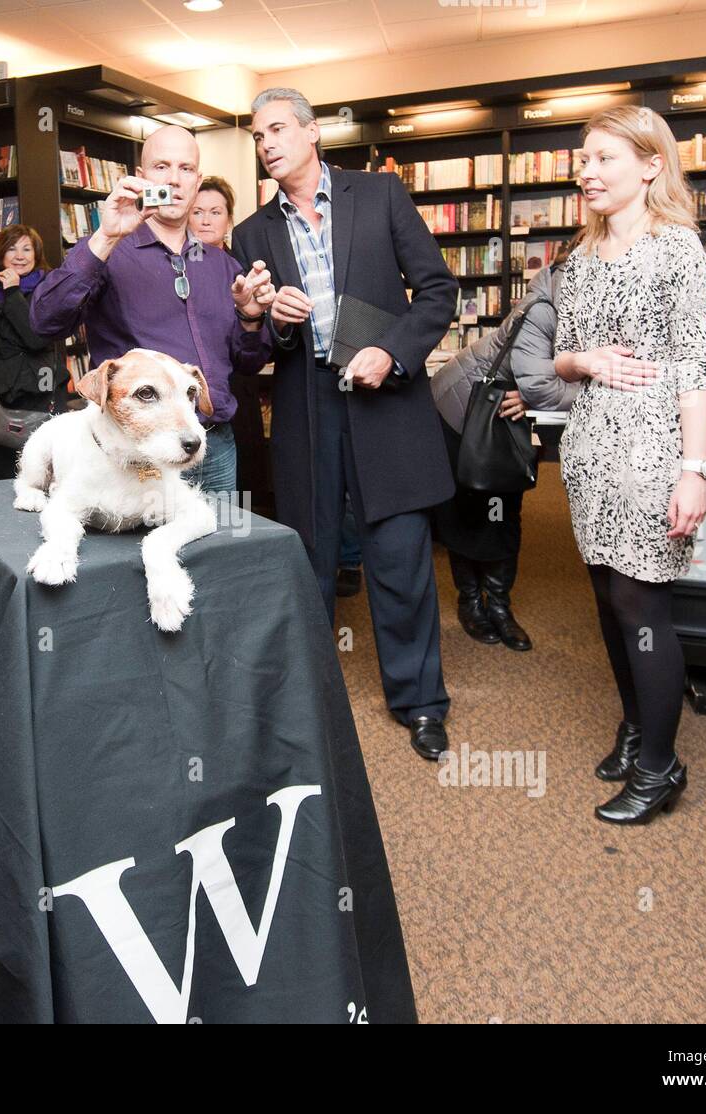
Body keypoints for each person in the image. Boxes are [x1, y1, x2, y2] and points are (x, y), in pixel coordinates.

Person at [233, 87, 460, 762]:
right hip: (308, 410)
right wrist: (270, 320)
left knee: (400, 560)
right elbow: (257, 351)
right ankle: (309, 706)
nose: (266, 143)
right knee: (310, 561)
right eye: (256, 135)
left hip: (385, 399)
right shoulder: (252, 233)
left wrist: (392, 352)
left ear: (312, 133)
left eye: (276, 129)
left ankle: (420, 701)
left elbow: (438, 290)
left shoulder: (380, 195)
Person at [553, 104, 706, 825]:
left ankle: (660, 767)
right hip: (587, 451)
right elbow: (558, 357)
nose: (586, 171)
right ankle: (636, 727)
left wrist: (694, 470)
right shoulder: (579, 258)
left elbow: (695, 371)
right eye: (582, 159)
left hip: (651, 452)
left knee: (642, 603)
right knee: (606, 600)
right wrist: (582, 360)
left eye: (603, 159)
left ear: (651, 166)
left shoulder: (677, 250)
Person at [30, 126, 274, 497]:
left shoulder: (222, 266)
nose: (174, 180)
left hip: (216, 446)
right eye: (161, 167)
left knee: (222, 548)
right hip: (140, 453)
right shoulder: (110, 252)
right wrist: (106, 236)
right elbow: (44, 321)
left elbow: (247, 362)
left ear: (198, 180)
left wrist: (251, 318)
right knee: (146, 552)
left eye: (185, 168)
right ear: (141, 178)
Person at [430, 247, 581, 651]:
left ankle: (498, 605)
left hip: (500, 417)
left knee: (503, 513)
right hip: (460, 414)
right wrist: (586, 388)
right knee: (467, 511)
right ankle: (470, 604)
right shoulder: (546, 307)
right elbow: (539, 386)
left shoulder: (565, 298)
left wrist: (536, 396)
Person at [0, 224, 70, 480]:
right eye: (12, 249)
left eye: (27, 249)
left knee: (41, 474)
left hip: (38, 393)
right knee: (1, 473)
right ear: (1, 255)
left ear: (36, 254)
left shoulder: (48, 288)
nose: (20, 255)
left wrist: (12, 292)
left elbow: (36, 339)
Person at [190, 176, 236, 250]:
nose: (206, 221)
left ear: (229, 222)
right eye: (198, 213)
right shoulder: (174, 259)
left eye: (215, 213)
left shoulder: (236, 261)